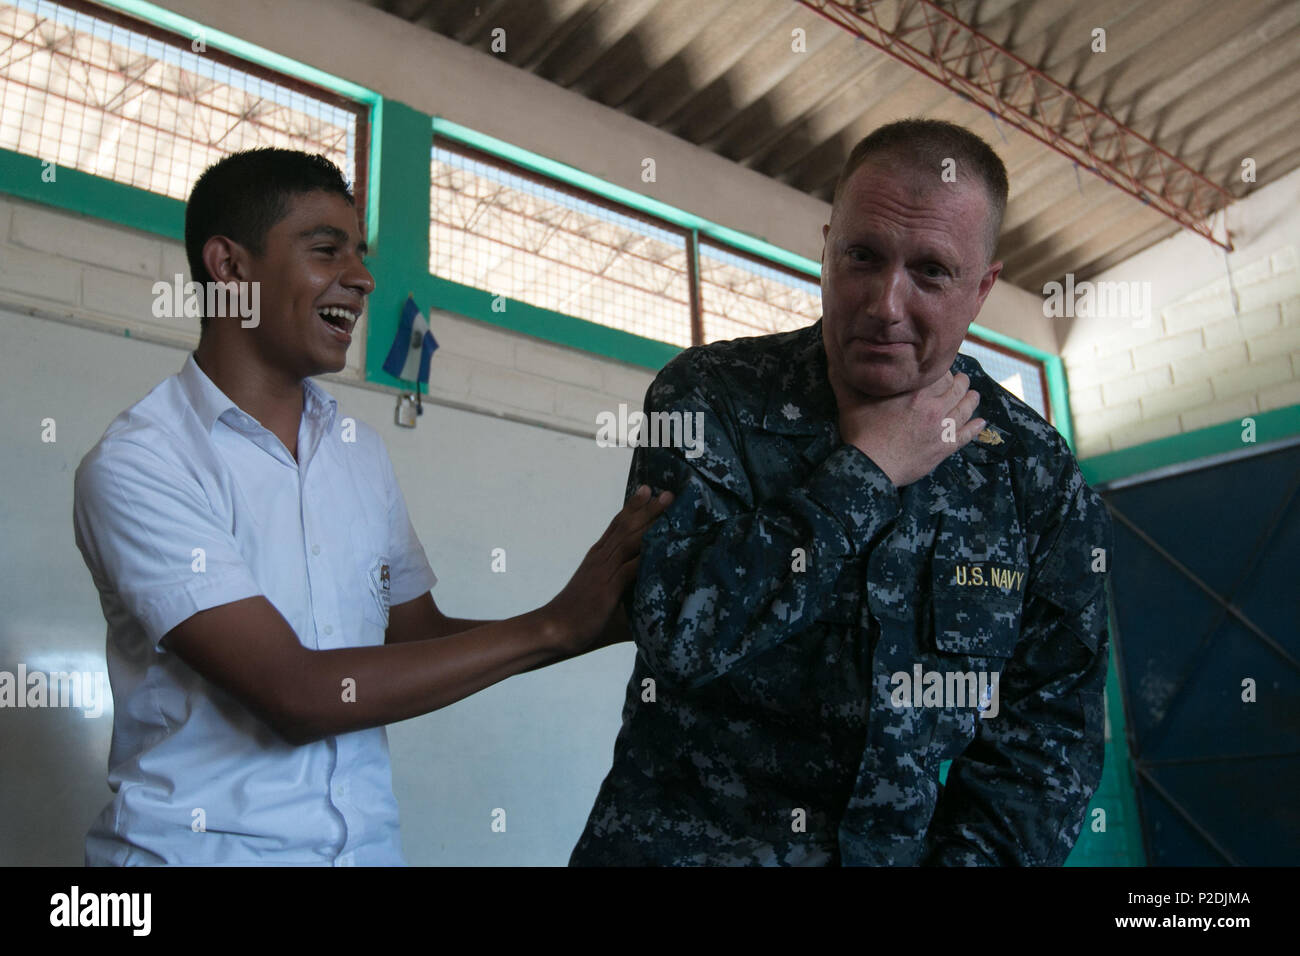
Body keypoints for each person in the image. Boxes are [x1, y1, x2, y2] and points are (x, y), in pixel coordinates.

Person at [73, 148, 671, 865]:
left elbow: (415, 637)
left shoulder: (356, 451)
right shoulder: (143, 462)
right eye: (327, 251)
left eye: (360, 254)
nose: (361, 280)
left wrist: (614, 617)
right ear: (230, 269)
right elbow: (294, 692)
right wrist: (550, 626)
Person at [570, 119, 1112, 866]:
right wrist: (863, 473)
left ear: (982, 288)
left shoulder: (1034, 473)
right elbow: (679, 636)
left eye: (930, 272)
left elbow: (1051, 731)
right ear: (826, 248)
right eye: (862, 257)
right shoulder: (712, 398)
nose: (885, 303)